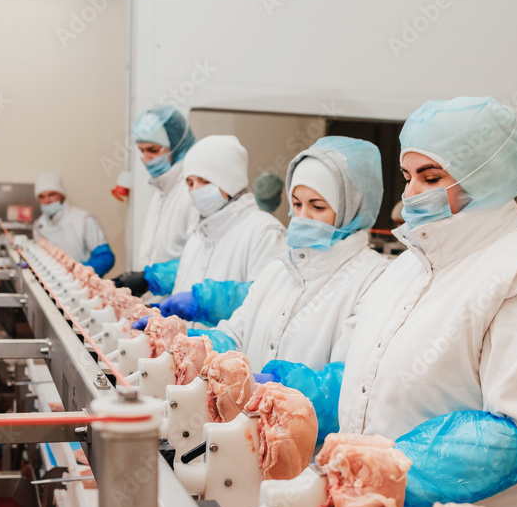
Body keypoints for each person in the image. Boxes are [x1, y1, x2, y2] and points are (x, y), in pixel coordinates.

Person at [265, 97, 517, 507]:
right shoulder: (410, 267)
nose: (414, 192)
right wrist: (295, 392)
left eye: (432, 177)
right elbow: (368, 379)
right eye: (408, 176)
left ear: (484, 175)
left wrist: (390, 472)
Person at [163, 137, 389, 378]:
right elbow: (236, 334)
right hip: (248, 416)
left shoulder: (372, 280)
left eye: (318, 206)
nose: (303, 216)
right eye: (297, 204)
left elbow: (348, 381)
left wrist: (282, 387)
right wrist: (185, 341)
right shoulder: (280, 269)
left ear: (351, 211)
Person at [171, 135, 285, 298]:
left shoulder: (265, 233)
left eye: (204, 181)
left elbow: (265, 305)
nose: (195, 190)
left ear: (230, 181)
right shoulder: (197, 235)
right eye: (190, 183)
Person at [113, 106, 198, 294]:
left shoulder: (192, 193)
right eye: (141, 150)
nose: (145, 158)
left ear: (178, 144)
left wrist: (151, 279)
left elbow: (200, 261)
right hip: (154, 303)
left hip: (179, 305)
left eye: (152, 149)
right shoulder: (160, 191)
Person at [32, 171, 115, 276]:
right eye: (42, 197)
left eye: (52, 195)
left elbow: (105, 258)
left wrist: (80, 270)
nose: (47, 200)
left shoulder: (84, 219)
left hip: (81, 284)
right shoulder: (40, 225)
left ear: (62, 196)